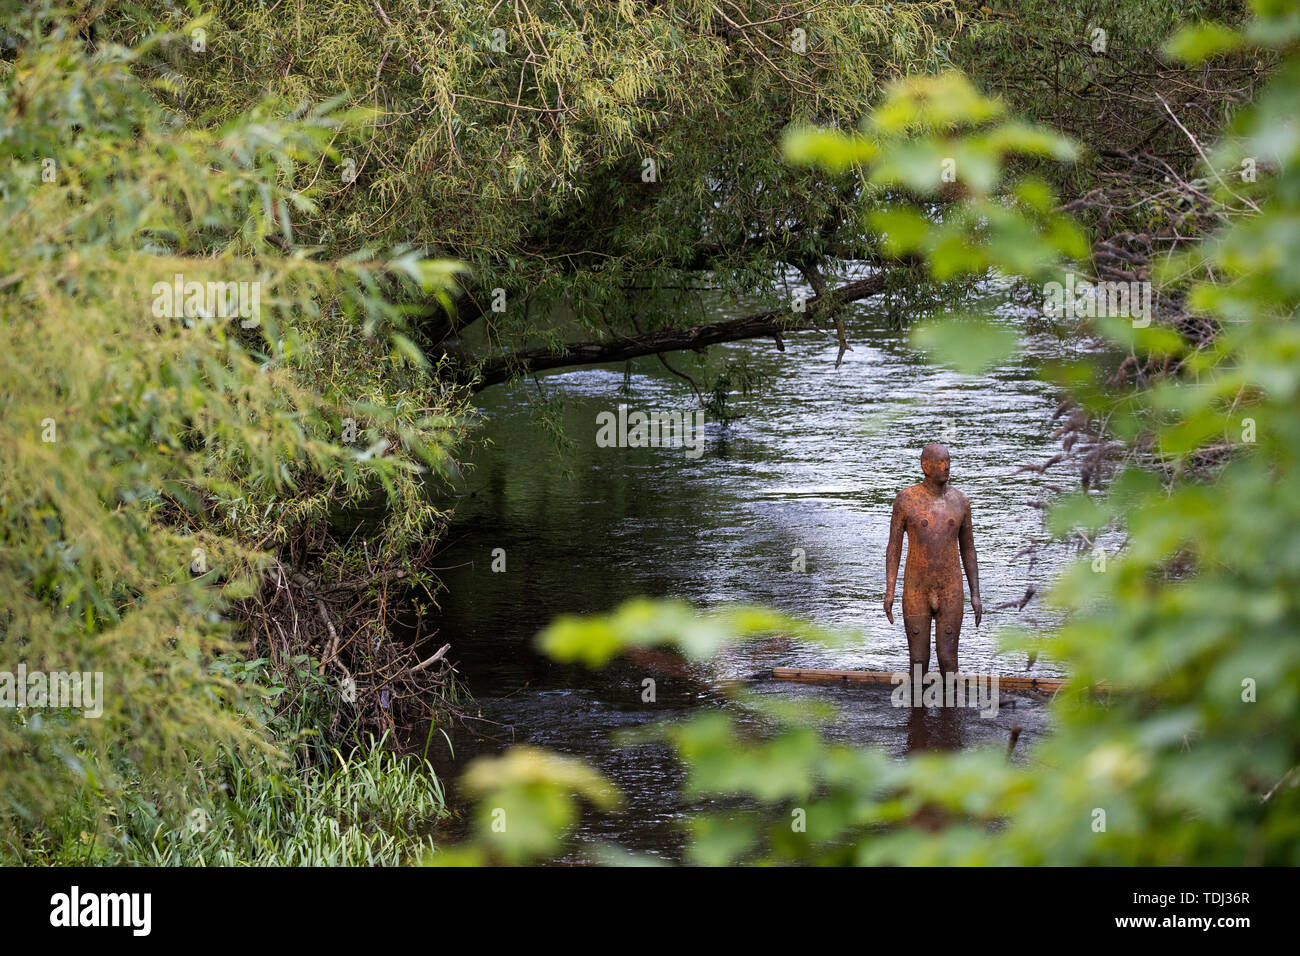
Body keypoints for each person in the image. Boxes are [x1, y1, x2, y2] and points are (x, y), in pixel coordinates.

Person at [884, 443, 982, 698]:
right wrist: (890, 590)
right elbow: (893, 547)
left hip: (950, 588)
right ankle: (917, 730)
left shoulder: (960, 501)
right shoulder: (906, 500)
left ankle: (950, 728)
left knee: (949, 660)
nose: (946, 466)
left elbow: (969, 550)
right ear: (925, 466)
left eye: (948, 461)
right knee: (918, 661)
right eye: (939, 462)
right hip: (916, 589)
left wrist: (975, 594)